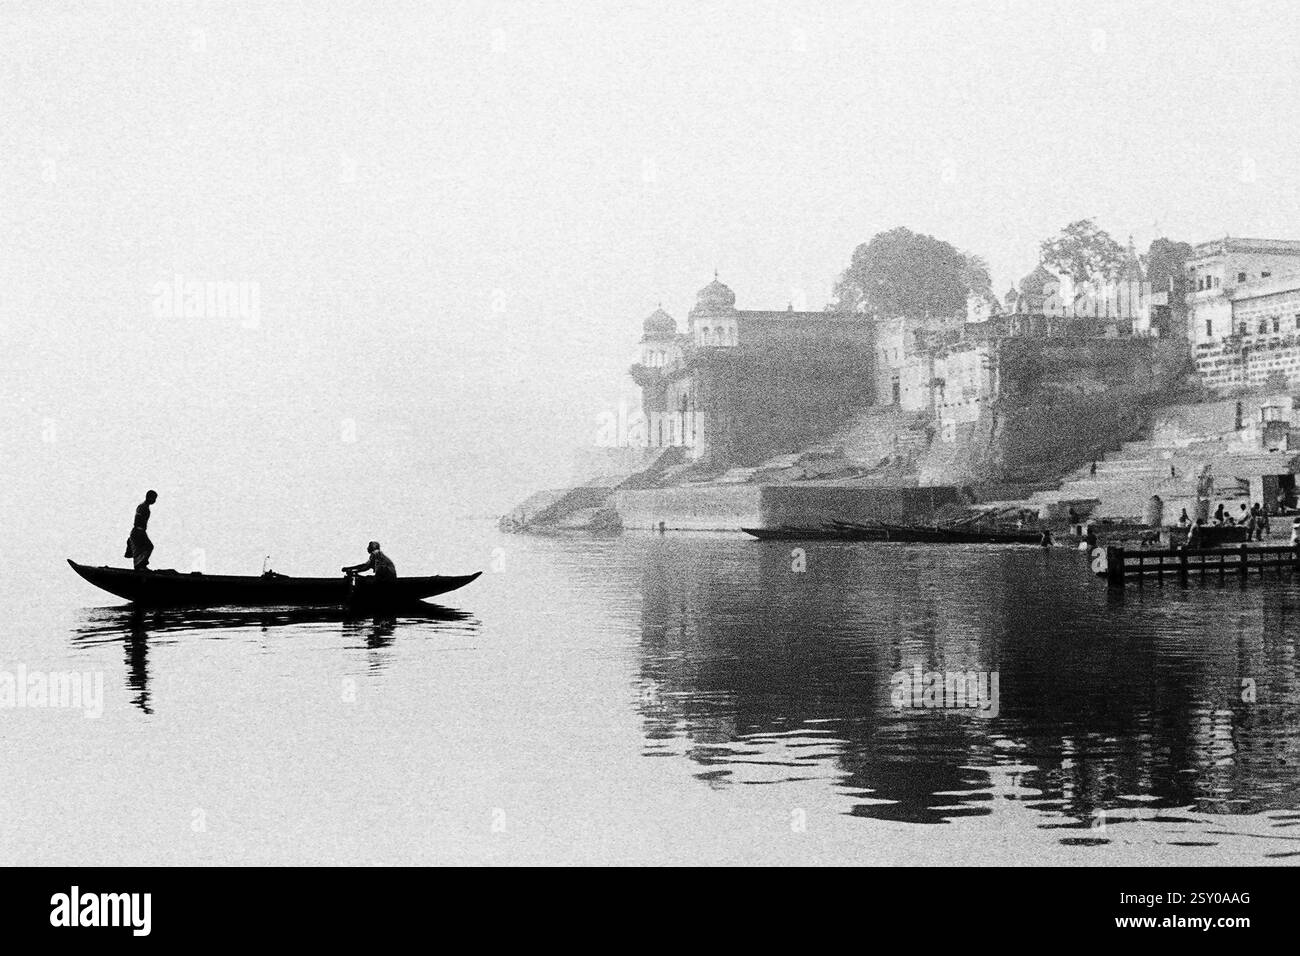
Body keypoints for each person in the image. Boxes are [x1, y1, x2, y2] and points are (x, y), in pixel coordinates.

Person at [124, 490, 157, 571]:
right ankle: (140, 566)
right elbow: (137, 519)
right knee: (146, 547)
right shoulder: (142, 507)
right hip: (138, 532)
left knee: (148, 547)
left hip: (141, 531)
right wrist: (139, 531)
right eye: (153, 498)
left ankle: (141, 565)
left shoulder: (146, 507)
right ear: (149, 497)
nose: (154, 500)